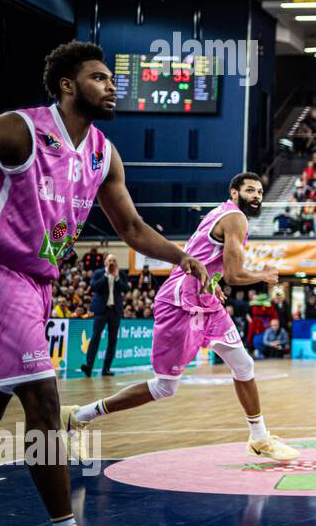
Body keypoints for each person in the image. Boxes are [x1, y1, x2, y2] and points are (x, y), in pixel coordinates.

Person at [0, 40, 210, 526]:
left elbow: (133, 229)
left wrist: (181, 254)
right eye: (98, 77)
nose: (112, 86)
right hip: (3, 275)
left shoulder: (102, 153)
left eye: (111, 78)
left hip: (40, 283)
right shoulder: (21, 129)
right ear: (68, 86)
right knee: (43, 401)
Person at [65, 173, 298, 466]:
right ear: (234, 193)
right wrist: (263, 275)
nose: (256, 196)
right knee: (165, 386)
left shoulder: (222, 213)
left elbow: (206, 259)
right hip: (180, 302)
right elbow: (234, 276)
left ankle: (259, 437)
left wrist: (211, 285)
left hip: (205, 301)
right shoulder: (235, 218)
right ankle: (79, 416)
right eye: (250, 190)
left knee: (244, 364)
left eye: (260, 191)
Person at [82, 254, 130, 376]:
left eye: (114, 260)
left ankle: (106, 368)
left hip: (115, 311)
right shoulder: (98, 273)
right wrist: (106, 275)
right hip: (101, 310)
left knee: (112, 340)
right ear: (105, 262)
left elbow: (126, 289)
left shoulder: (121, 274)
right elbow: (93, 286)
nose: (112, 263)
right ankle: (89, 366)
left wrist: (117, 277)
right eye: (109, 261)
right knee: (95, 337)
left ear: (117, 263)